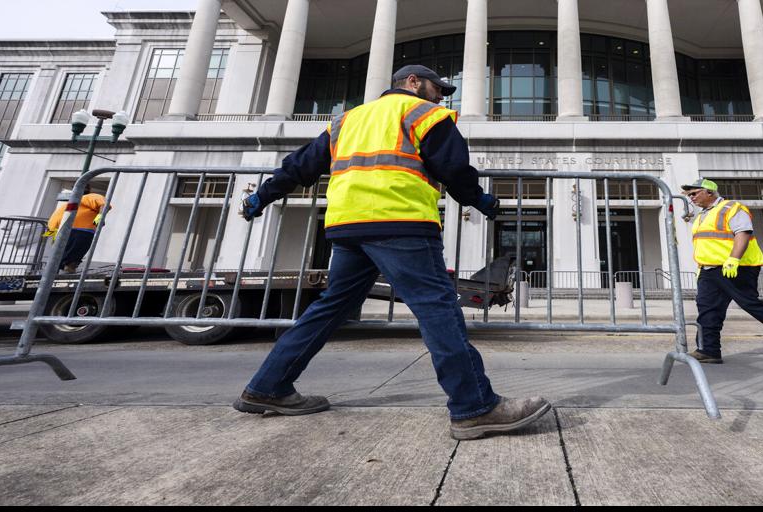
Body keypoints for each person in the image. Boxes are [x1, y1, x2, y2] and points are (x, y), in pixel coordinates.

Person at [233, 64, 549, 440]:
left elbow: (299, 167)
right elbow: (454, 169)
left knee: (330, 307)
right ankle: (474, 407)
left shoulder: (347, 120)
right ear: (413, 83)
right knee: (438, 308)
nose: (442, 96)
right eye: (438, 88)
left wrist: (260, 197)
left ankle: (268, 386)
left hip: (347, 227)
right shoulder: (424, 114)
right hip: (401, 223)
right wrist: (482, 200)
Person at [679, 179, 763, 368]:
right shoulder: (703, 215)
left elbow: (742, 233)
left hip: (736, 268)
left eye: (694, 193)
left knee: (754, 306)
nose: (691, 197)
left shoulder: (732, 208)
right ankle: (708, 350)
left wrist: (734, 259)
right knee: (708, 310)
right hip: (709, 270)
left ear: (709, 192)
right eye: (690, 194)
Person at [46, 189, 109, 273]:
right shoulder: (84, 199)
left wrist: (98, 220)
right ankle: (65, 269)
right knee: (67, 257)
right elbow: (104, 205)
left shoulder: (85, 199)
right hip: (74, 230)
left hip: (71, 231)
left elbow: (104, 205)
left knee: (65, 257)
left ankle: (63, 270)